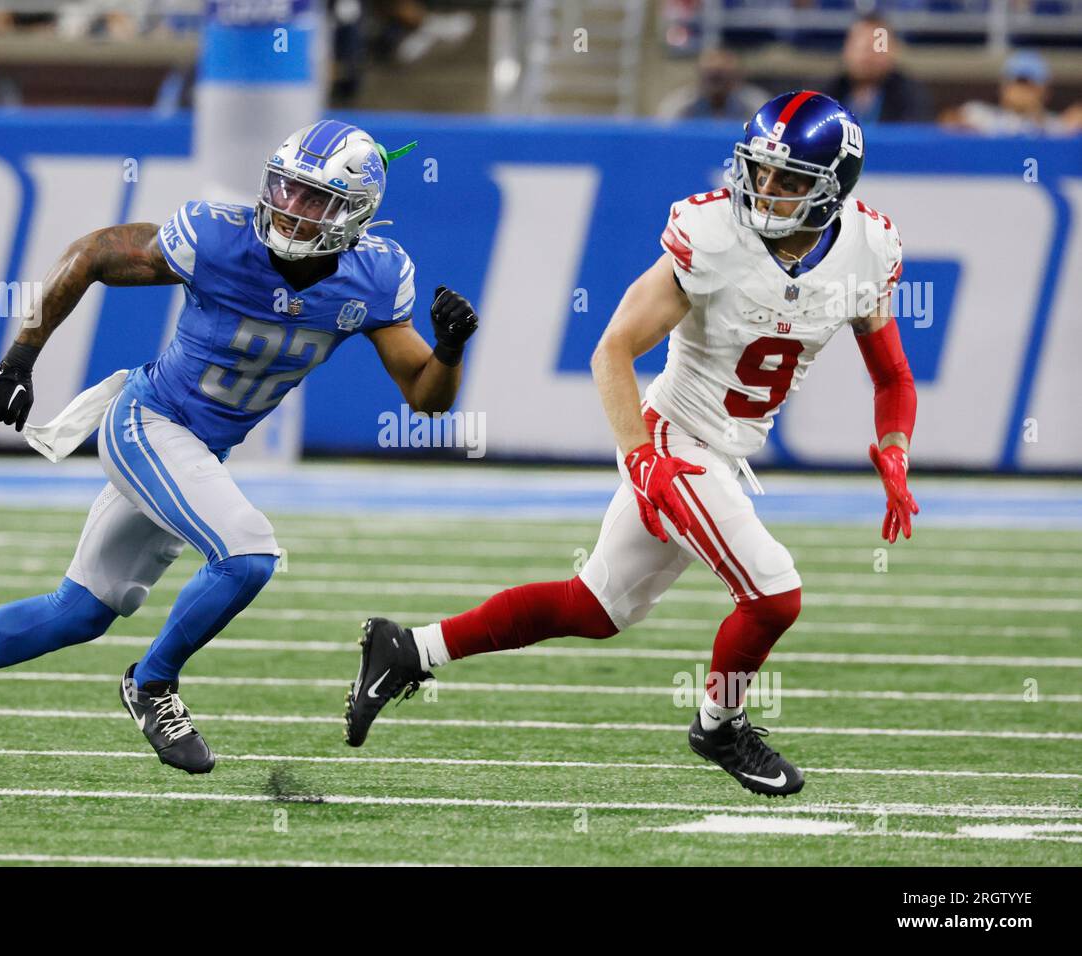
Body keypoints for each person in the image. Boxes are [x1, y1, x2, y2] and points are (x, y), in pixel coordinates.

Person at [0, 122, 481, 776]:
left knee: (78, 613)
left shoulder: (376, 278)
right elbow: (92, 253)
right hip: (148, 422)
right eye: (287, 189)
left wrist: (452, 352)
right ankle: (152, 685)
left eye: (314, 199)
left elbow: (426, 399)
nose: (292, 209)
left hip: (198, 451)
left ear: (355, 214)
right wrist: (18, 360)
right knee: (249, 555)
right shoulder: (217, 238)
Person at [346, 91, 919, 798]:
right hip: (673, 440)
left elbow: (892, 372)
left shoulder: (867, 250)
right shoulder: (714, 236)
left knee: (594, 608)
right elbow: (613, 348)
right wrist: (641, 455)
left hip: (723, 454)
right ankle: (719, 724)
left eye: (790, 179)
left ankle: (409, 649)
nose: (766, 191)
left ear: (834, 190)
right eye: (760, 171)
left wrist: (894, 448)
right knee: (774, 594)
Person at [823, 15, 932, 124]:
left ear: (893, 51)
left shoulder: (909, 96)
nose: (867, 56)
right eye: (861, 47)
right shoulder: (825, 94)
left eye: (877, 47)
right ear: (846, 49)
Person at [941, 51, 1078, 136]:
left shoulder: (1056, 126)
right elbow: (948, 121)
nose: (1021, 91)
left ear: (1044, 90)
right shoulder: (982, 116)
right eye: (1017, 83)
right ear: (1004, 88)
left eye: (1029, 85)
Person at [657, 49, 770, 122]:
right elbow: (664, 137)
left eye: (722, 77)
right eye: (711, 77)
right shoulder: (678, 105)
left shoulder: (756, 106)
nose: (716, 85)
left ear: (737, 77)